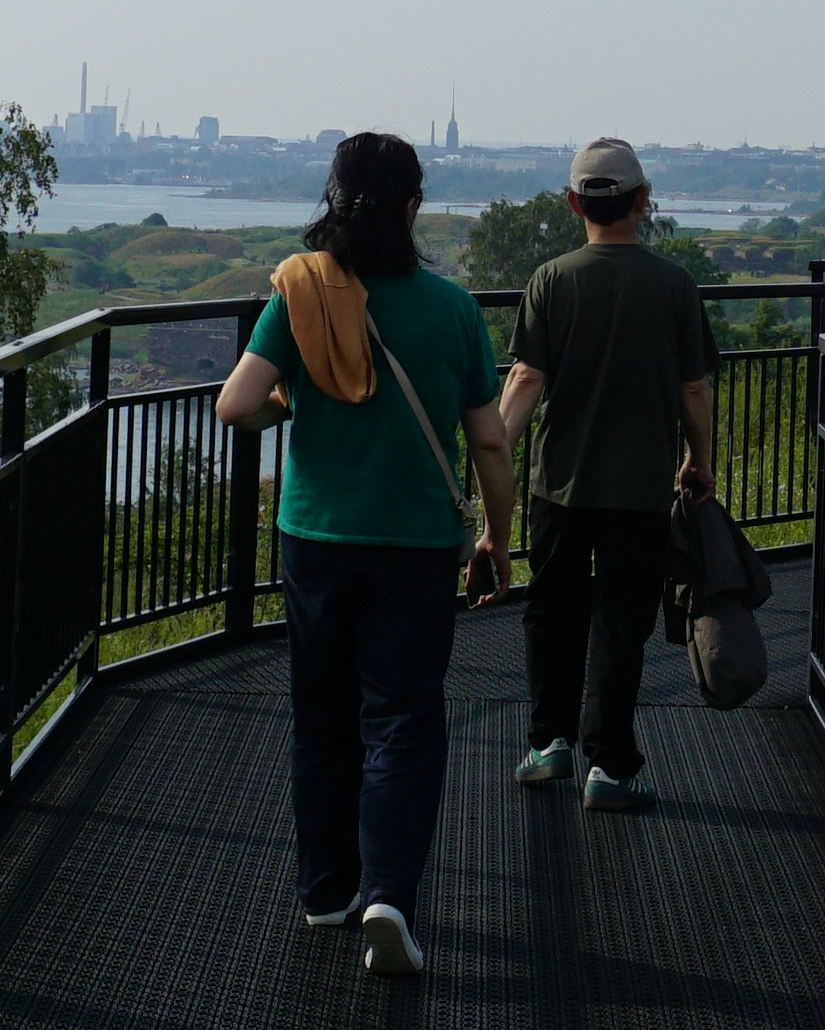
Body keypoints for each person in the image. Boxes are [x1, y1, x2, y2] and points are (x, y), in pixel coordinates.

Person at [215, 131, 512, 979]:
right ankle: (390, 895)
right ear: (413, 208)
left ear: (332, 202)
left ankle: (323, 892)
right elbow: (489, 442)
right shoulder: (451, 308)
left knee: (322, 718)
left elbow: (235, 407)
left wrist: (296, 410)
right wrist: (496, 535)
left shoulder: (302, 292)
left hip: (315, 539)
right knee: (405, 719)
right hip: (415, 546)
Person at [495, 137, 719, 808]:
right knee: (623, 622)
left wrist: (493, 455)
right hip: (641, 488)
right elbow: (694, 389)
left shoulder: (551, 280)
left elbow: (528, 377)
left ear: (573, 203)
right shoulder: (673, 284)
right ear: (642, 202)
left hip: (558, 483)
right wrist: (698, 460)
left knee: (551, 612)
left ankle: (548, 743)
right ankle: (611, 766)